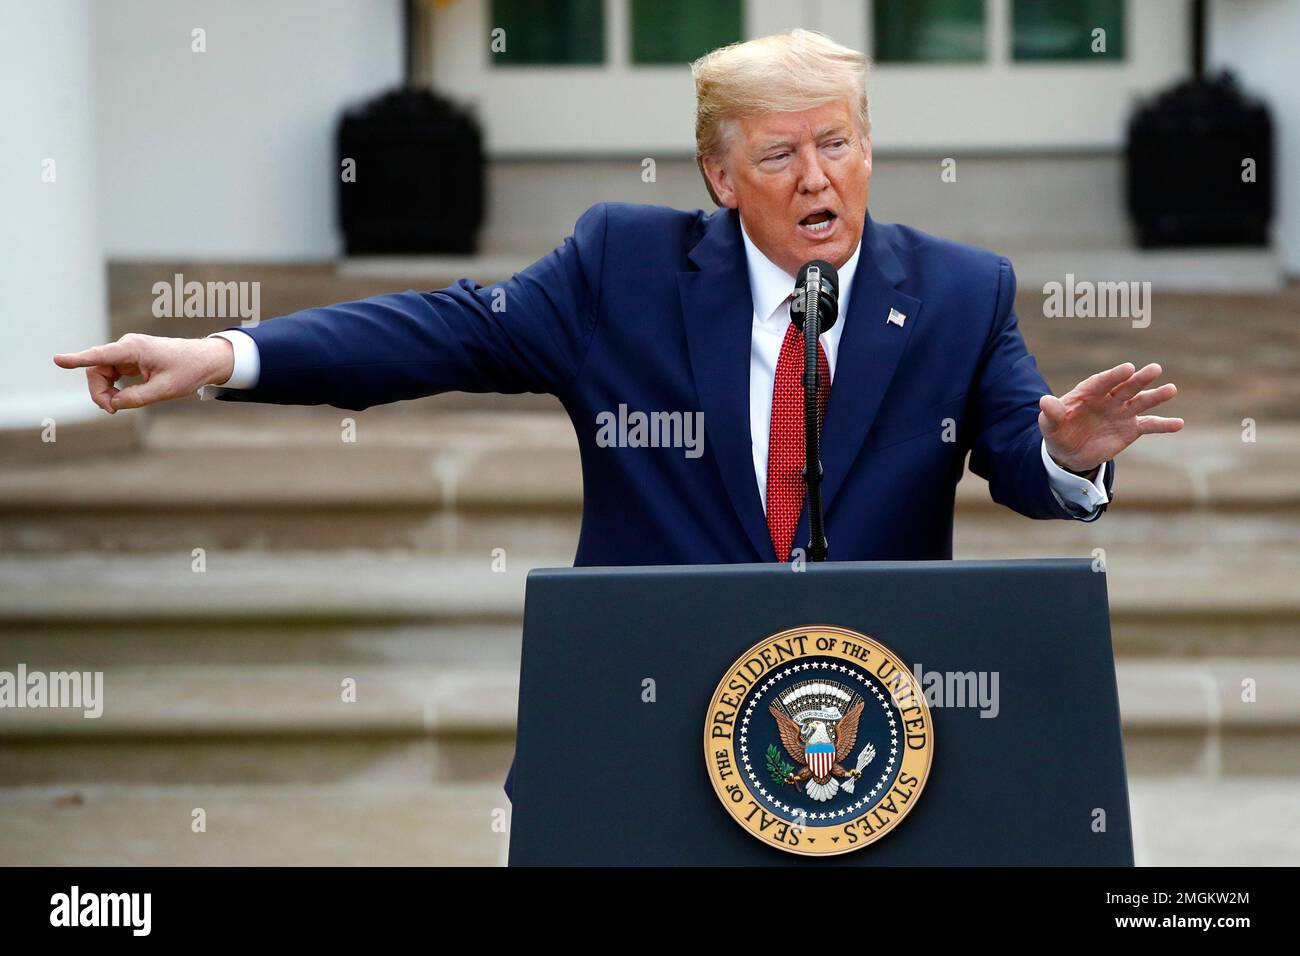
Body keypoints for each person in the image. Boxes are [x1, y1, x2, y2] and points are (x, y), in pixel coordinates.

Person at [54, 31, 1181, 590]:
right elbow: (438, 329)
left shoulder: (957, 289)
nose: (816, 178)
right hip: (650, 694)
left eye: (836, 144)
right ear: (718, 174)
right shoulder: (619, 269)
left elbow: (1021, 465)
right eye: (780, 154)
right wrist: (218, 352)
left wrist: (1065, 451)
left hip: (866, 717)